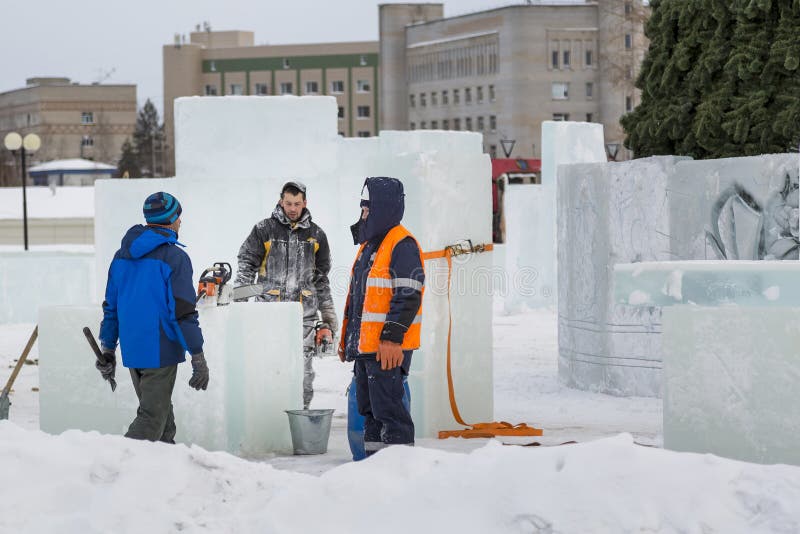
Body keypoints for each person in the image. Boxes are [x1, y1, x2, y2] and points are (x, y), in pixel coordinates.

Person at [97, 192, 209, 443]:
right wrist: (198, 355)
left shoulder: (121, 256)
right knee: (151, 420)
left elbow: (111, 308)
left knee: (164, 424)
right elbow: (183, 312)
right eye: (179, 217)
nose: (181, 222)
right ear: (171, 219)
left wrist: (107, 349)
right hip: (160, 350)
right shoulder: (174, 257)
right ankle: (115, 468)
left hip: (133, 350)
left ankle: (162, 475)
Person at [338, 177, 425, 455]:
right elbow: (361, 300)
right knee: (370, 413)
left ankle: (399, 472)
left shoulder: (402, 244)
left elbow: (409, 293)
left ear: (384, 208)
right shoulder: (370, 246)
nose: (363, 214)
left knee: (390, 413)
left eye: (367, 209)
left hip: (387, 348)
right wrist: (349, 341)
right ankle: (375, 471)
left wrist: (391, 337)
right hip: (367, 348)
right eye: (362, 209)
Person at [235, 181, 338, 409]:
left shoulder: (317, 235)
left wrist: (329, 319)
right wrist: (238, 308)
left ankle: (298, 422)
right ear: (281, 201)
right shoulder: (263, 230)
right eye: (288, 203)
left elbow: (321, 280)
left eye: (297, 204)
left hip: (305, 319)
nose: (292, 208)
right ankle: (268, 422)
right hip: (268, 316)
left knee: (302, 375)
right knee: (268, 372)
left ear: (305, 203)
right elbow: (246, 268)